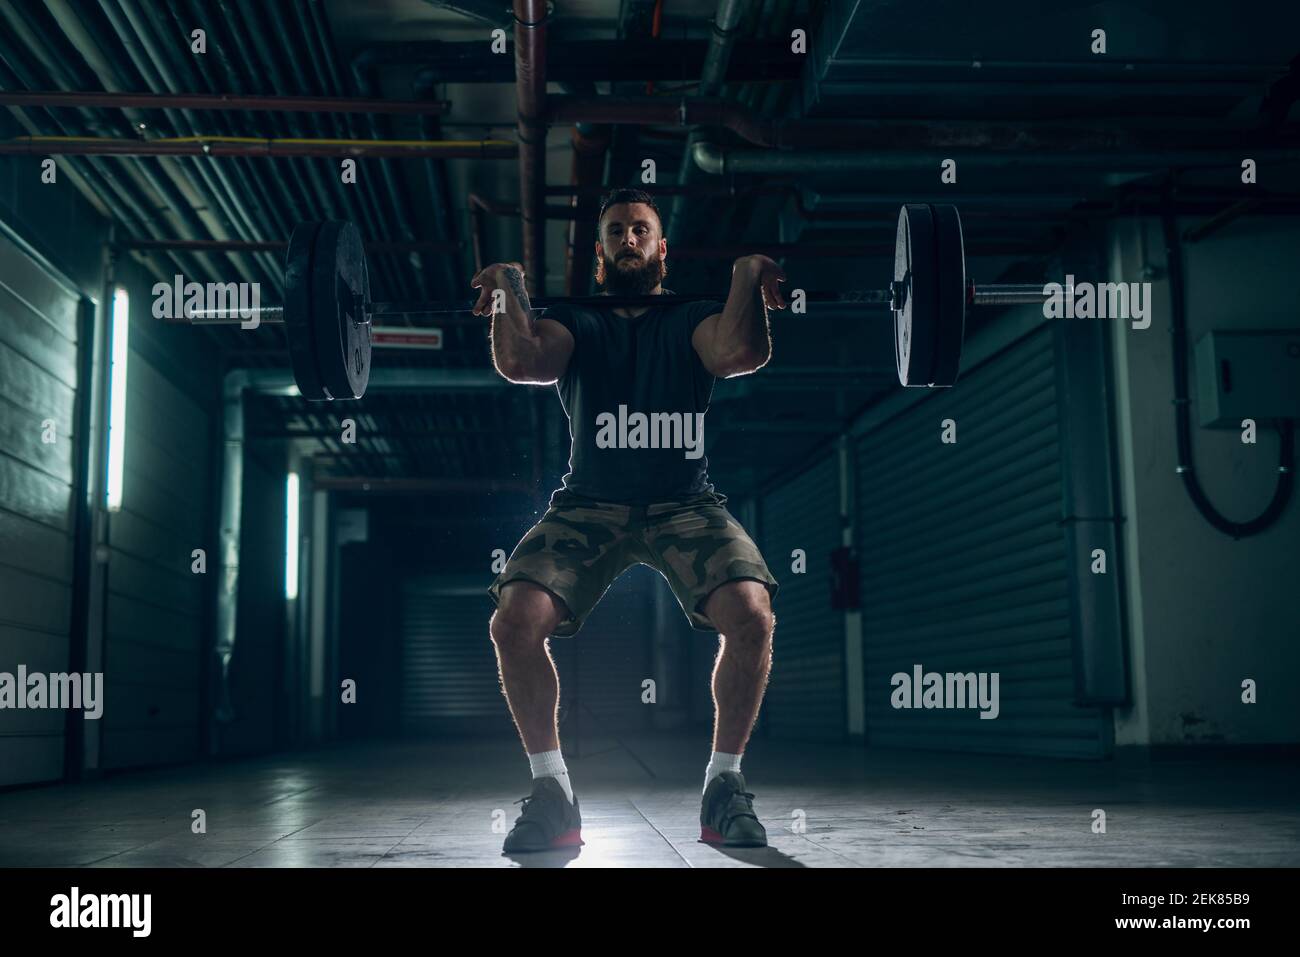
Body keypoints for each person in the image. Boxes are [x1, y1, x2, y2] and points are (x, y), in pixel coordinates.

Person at [472, 188, 786, 852]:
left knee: (752, 613)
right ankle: (553, 791)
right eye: (616, 231)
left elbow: (736, 353)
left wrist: (747, 278)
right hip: (589, 502)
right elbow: (524, 361)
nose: (628, 239)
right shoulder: (577, 320)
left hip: (685, 503)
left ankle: (723, 785)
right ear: (600, 253)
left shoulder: (691, 317)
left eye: (640, 229)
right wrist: (506, 290)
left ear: (661, 247)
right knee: (514, 621)